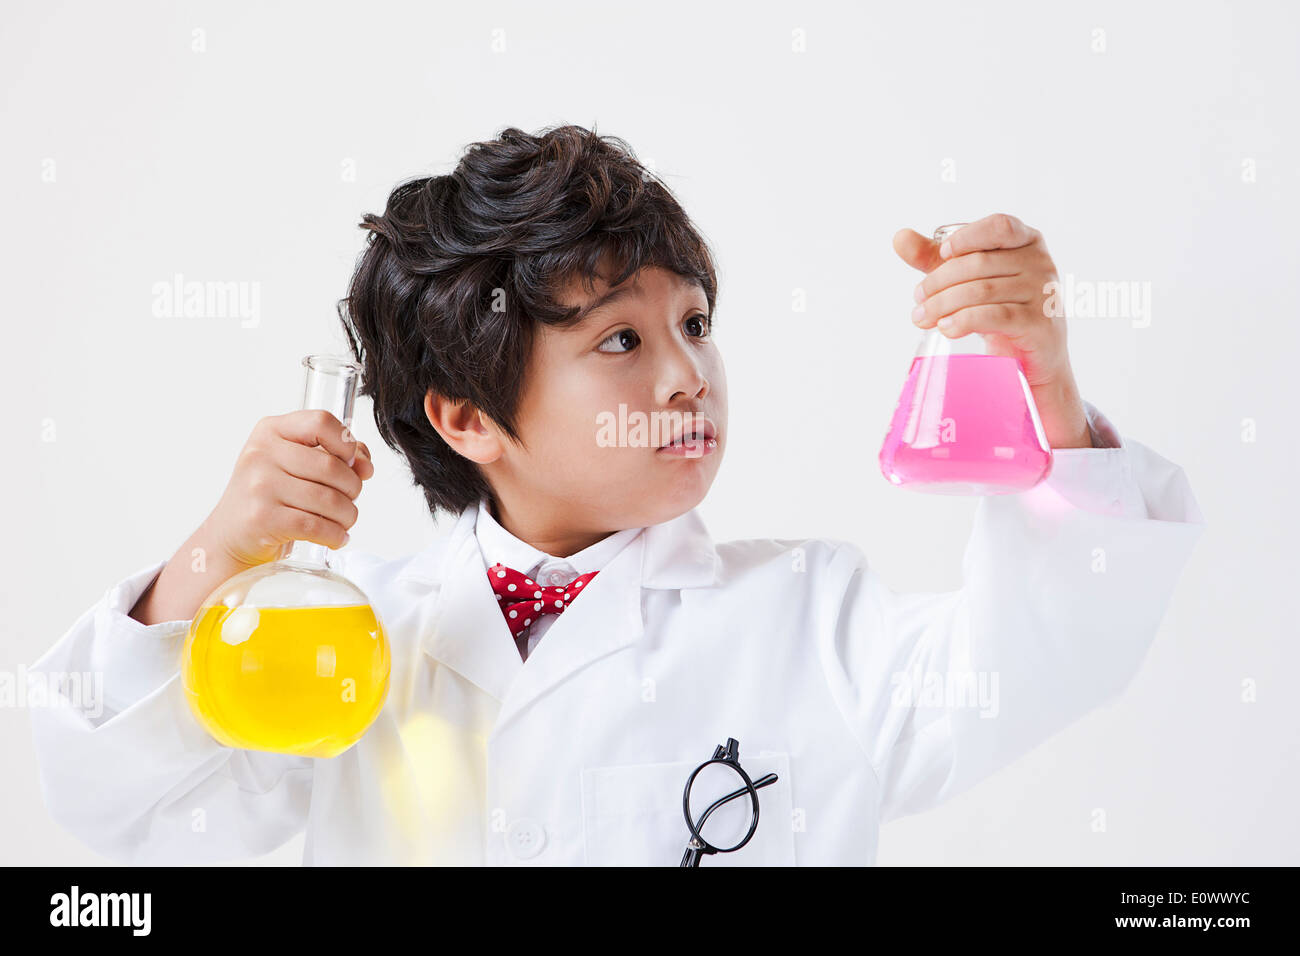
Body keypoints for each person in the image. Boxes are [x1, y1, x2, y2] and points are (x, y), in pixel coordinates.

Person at [27, 124, 1204, 865]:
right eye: (620, 341)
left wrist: (1039, 379)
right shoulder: (355, 645)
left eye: (693, 323)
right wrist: (213, 561)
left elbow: (1054, 653)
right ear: (465, 416)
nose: (687, 372)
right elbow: (125, 811)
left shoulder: (806, 615)